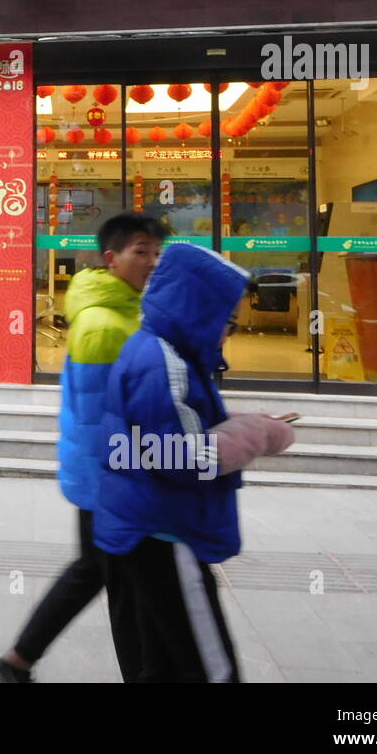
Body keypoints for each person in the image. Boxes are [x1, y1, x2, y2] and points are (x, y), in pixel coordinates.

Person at [93, 244, 295, 683]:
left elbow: (169, 433)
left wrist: (240, 422)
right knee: (212, 669)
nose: (229, 334)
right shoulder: (164, 363)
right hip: (168, 535)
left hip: (147, 527)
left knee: (162, 667)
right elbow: (181, 458)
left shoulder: (161, 350)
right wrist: (256, 433)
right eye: (228, 323)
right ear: (198, 311)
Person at [0, 212, 167, 683]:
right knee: (100, 574)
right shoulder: (106, 325)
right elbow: (100, 419)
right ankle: (14, 663)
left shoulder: (122, 310)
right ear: (112, 257)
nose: (150, 261)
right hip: (110, 477)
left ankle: (17, 664)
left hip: (107, 476)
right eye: (140, 251)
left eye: (154, 252)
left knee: (116, 582)